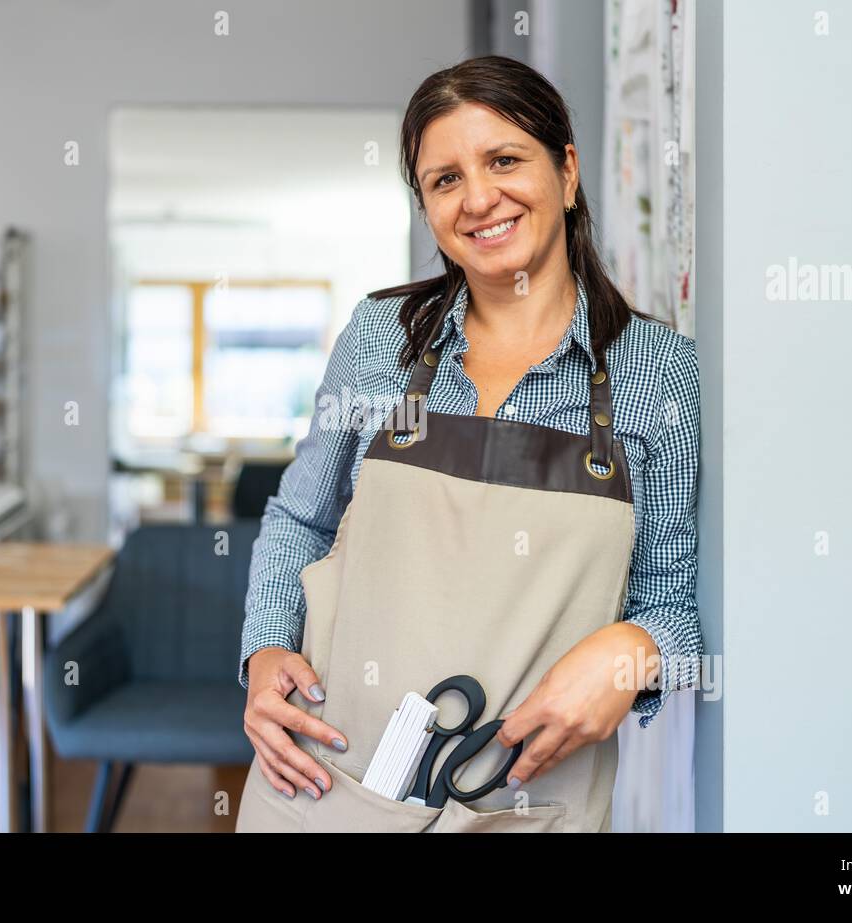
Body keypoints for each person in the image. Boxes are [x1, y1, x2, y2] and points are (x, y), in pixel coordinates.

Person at [236, 55, 701, 833]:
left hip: (525, 809)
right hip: (321, 784)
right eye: (444, 179)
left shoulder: (660, 375)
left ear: (568, 171)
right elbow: (298, 519)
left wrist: (632, 649)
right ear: (425, 207)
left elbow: (676, 604)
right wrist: (261, 652)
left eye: (505, 160)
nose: (479, 197)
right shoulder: (380, 340)